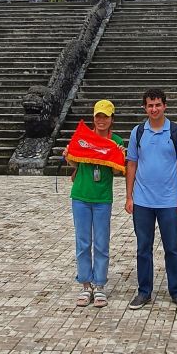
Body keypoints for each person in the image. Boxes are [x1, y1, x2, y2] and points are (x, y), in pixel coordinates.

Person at [125, 88, 177, 310]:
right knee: (143, 247)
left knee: (172, 247)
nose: (154, 109)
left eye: (157, 105)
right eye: (149, 105)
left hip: (168, 200)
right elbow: (132, 164)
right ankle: (144, 291)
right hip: (143, 200)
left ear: (165, 105)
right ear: (144, 107)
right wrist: (129, 196)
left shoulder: (176, 131)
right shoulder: (138, 132)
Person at [64, 99, 124, 308]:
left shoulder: (116, 141)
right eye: (98, 116)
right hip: (81, 195)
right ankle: (85, 284)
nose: (101, 120)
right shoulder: (83, 137)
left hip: (102, 198)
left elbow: (117, 171)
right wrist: (68, 155)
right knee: (83, 242)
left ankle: (99, 285)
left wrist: (119, 155)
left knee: (101, 243)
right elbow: (74, 163)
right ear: (93, 118)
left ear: (111, 119)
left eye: (105, 117)